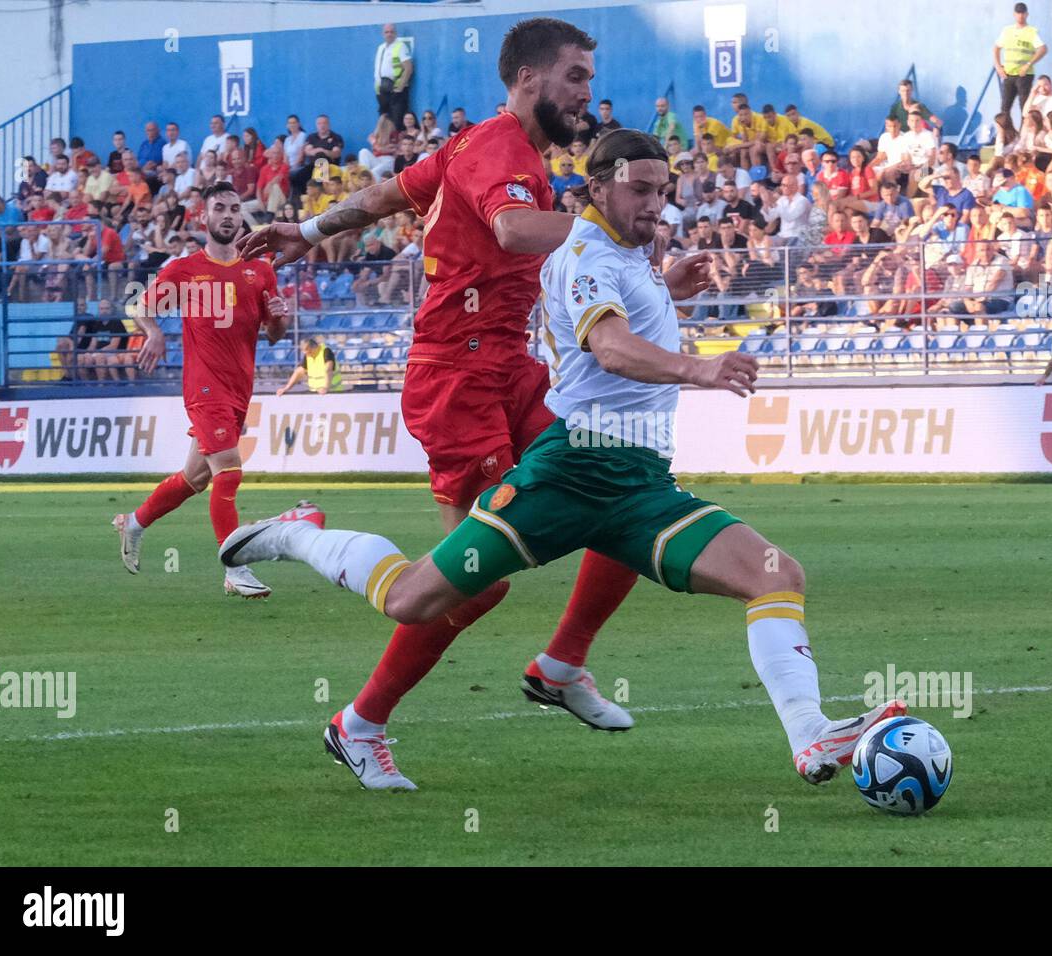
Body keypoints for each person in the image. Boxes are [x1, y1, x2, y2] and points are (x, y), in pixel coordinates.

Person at [221, 128, 906, 791]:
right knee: (414, 599)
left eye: (663, 190)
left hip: (640, 484)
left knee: (776, 573)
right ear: (597, 189)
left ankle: (810, 732)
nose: (655, 204)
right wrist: (698, 370)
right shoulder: (584, 253)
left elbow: (611, 321)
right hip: (572, 470)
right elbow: (608, 348)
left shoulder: (625, 253)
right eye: (640, 189)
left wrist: (664, 287)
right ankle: (297, 534)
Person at [237, 18, 716, 777]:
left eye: (589, 78)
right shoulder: (499, 151)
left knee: (628, 487)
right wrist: (628, 243)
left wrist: (308, 225)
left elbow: (389, 193)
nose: (587, 92)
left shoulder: (483, 147)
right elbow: (518, 229)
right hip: (456, 380)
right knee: (470, 584)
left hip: (512, 369)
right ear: (527, 79)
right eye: (576, 76)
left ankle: (560, 665)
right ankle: (355, 706)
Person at [113, 182, 289, 597]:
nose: (228, 215)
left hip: (239, 389)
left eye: (234, 209)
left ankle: (133, 522)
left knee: (195, 478)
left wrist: (280, 318)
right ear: (204, 217)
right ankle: (235, 568)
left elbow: (275, 334)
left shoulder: (261, 270)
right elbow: (140, 307)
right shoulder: (185, 269)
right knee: (228, 470)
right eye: (219, 209)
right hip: (203, 387)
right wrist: (153, 332)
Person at [994, 2, 1048, 125]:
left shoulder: (1031, 31)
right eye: (1018, 13)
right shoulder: (1007, 30)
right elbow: (996, 48)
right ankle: (1007, 136)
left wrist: (1028, 64)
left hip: (1024, 75)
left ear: (1027, 14)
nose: (1021, 15)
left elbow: (1043, 49)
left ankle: (1023, 135)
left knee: (1024, 107)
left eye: (1023, 13)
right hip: (1008, 74)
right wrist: (998, 66)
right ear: (1014, 14)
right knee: (1005, 107)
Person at [374, 23, 413, 130]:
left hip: (396, 90)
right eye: (387, 32)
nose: (389, 34)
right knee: (384, 121)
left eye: (391, 32)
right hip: (383, 90)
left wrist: (399, 88)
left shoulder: (400, 46)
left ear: (395, 33)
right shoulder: (381, 48)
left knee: (397, 121)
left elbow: (408, 68)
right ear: (383, 34)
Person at [278, 338, 343, 395]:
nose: (307, 355)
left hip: (332, 392)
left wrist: (325, 387)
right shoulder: (308, 356)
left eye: (308, 353)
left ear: (313, 348)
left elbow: (328, 369)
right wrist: (286, 388)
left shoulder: (326, 352)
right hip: (315, 393)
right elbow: (299, 372)